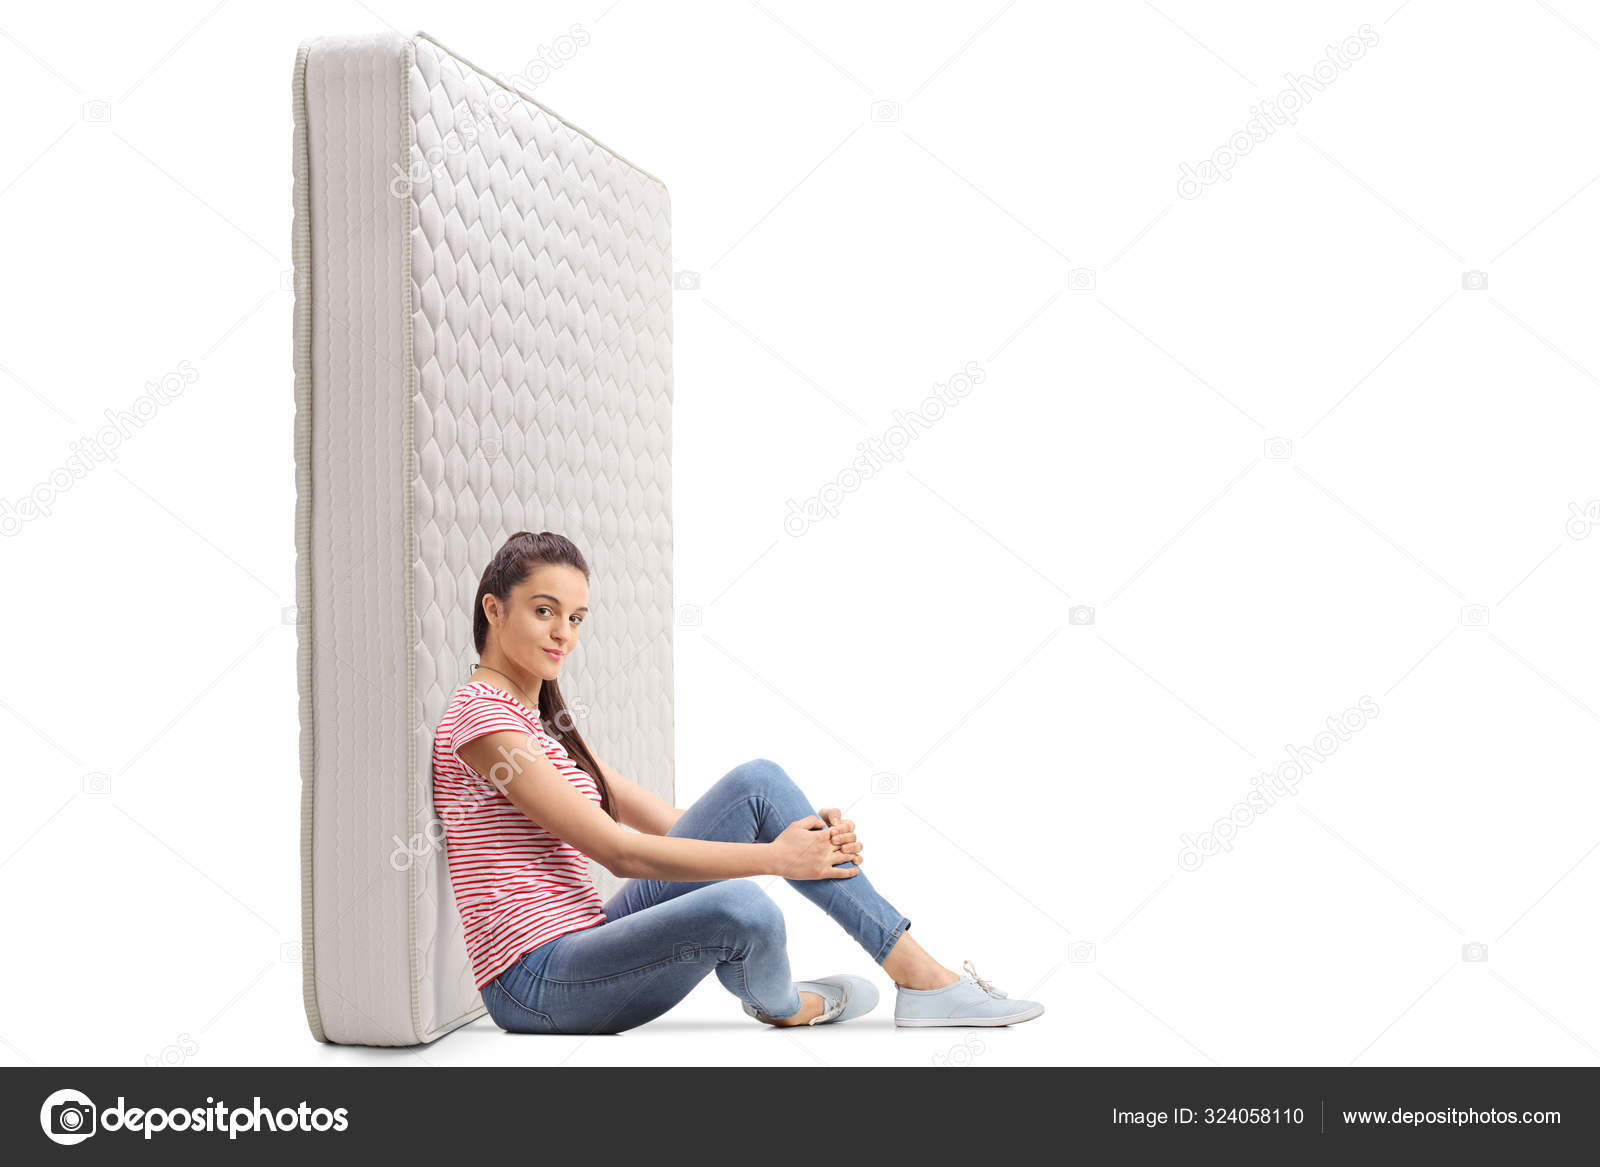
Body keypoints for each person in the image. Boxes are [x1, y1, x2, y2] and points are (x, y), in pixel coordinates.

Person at [432, 530, 1045, 1033]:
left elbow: (675, 830)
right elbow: (616, 851)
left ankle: (918, 975)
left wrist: (809, 847)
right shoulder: (483, 720)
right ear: (494, 607)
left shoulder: (543, 721)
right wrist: (777, 859)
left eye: (576, 616)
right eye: (545, 611)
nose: (565, 632)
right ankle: (784, 1003)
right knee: (744, 906)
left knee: (759, 784)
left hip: (590, 941)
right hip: (537, 983)